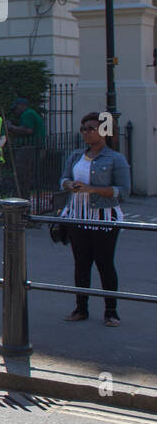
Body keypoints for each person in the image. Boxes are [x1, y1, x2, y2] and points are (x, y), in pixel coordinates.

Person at [58, 112, 130, 327]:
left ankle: (111, 312)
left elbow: (123, 191)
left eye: (91, 128)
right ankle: (81, 308)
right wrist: (69, 185)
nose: (86, 133)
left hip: (103, 217)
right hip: (77, 215)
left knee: (105, 264)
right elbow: (63, 178)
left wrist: (92, 189)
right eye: (83, 129)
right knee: (81, 264)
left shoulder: (115, 158)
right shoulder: (76, 154)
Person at [6, 96, 46, 202]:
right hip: (34, 148)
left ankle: (22, 199)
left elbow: (28, 130)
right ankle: (24, 197)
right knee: (26, 176)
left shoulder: (27, 114)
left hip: (29, 149)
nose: (15, 112)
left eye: (16, 108)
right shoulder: (31, 113)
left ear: (22, 106)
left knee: (23, 175)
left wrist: (11, 127)